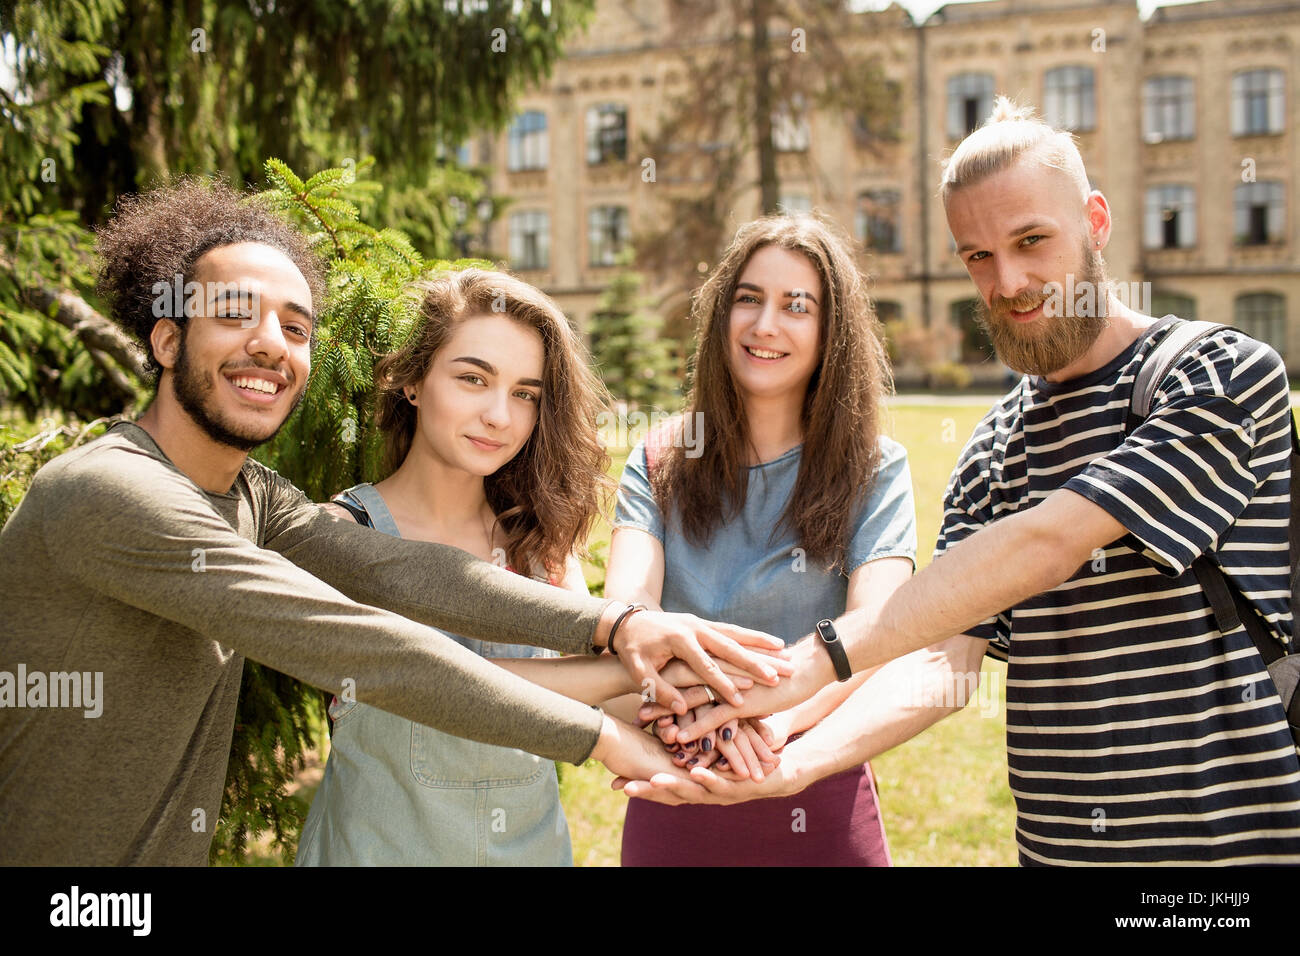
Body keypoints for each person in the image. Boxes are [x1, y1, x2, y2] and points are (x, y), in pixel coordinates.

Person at [0, 180, 792, 866]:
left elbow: (405, 573)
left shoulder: (254, 496)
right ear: (167, 339)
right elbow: (367, 645)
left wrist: (616, 625)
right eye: (236, 314)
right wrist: (609, 737)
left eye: (297, 328)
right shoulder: (110, 492)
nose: (270, 345)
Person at [628, 98, 1300, 866]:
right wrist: (792, 754)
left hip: (1232, 862)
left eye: (1031, 240)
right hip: (1058, 853)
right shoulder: (994, 445)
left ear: (1098, 221)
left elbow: (1050, 542)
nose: (1007, 280)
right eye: (977, 255)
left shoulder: (1216, 373)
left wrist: (806, 665)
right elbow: (945, 658)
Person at [605, 213, 923, 866]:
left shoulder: (876, 467)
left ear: (830, 331)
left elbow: (877, 632)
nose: (764, 325)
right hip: (679, 789)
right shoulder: (661, 458)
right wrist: (700, 724)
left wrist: (772, 722)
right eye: (748, 299)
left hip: (814, 781)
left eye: (795, 306)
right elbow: (629, 615)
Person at [299, 269, 621, 865]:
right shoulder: (342, 534)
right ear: (412, 381)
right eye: (474, 378)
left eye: (526, 393)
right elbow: (439, 681)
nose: (501, 415)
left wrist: (704, 697)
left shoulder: (539, 541)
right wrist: (635, 668)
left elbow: (606, 699)